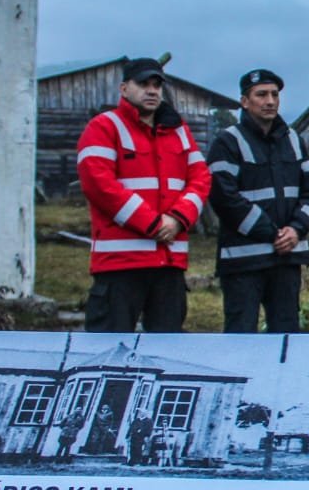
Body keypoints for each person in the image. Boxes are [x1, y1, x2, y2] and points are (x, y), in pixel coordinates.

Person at [76, 57, 211, 333]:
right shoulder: (103, 127)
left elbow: (201, 178)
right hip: (120, 265)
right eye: (143, 84)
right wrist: (152, 224)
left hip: (169, 263)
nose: (152, 91)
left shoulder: (179, 131)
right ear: (124, 89)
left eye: (157, 85)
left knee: (167, 351)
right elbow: (99, 184)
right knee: (108, 347)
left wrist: (177, 218)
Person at [207, 68, 309, 333]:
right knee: (241, 334)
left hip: (286, 259)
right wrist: (272, 233)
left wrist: (296, 229)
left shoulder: (293, 140)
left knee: (286, 334)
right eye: (261, 95)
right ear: (245, 101)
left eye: (274, 94)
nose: (270, 101)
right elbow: (224, 197)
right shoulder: (227, 142)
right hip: (243, 261)